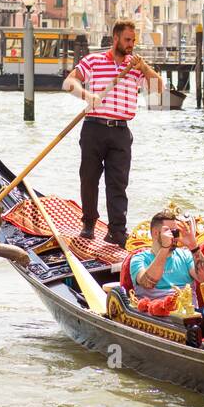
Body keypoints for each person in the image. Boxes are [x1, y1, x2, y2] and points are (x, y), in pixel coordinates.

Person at [62, 20, 161, 245]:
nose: (131, 45)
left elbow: (159, 90)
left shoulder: (135, 67)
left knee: (118, 183)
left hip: (120, 132)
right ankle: (88, 225)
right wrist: (87, 95)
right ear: (115, 38)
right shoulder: (94, 61)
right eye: (127, 40)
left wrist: (144, 68)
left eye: (133, 40)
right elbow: (69, 82)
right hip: (94, 128)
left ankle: (117, 231)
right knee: (89, 178)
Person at [129, 209, 204, 302]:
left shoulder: (185, 255)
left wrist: (194, 247)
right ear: (155, 233)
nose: (174, 236)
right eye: (171, 232)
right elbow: (148, 284)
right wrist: (165, 248)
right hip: (157, 313)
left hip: (190, 312)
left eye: (176, 232)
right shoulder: (139, 258)